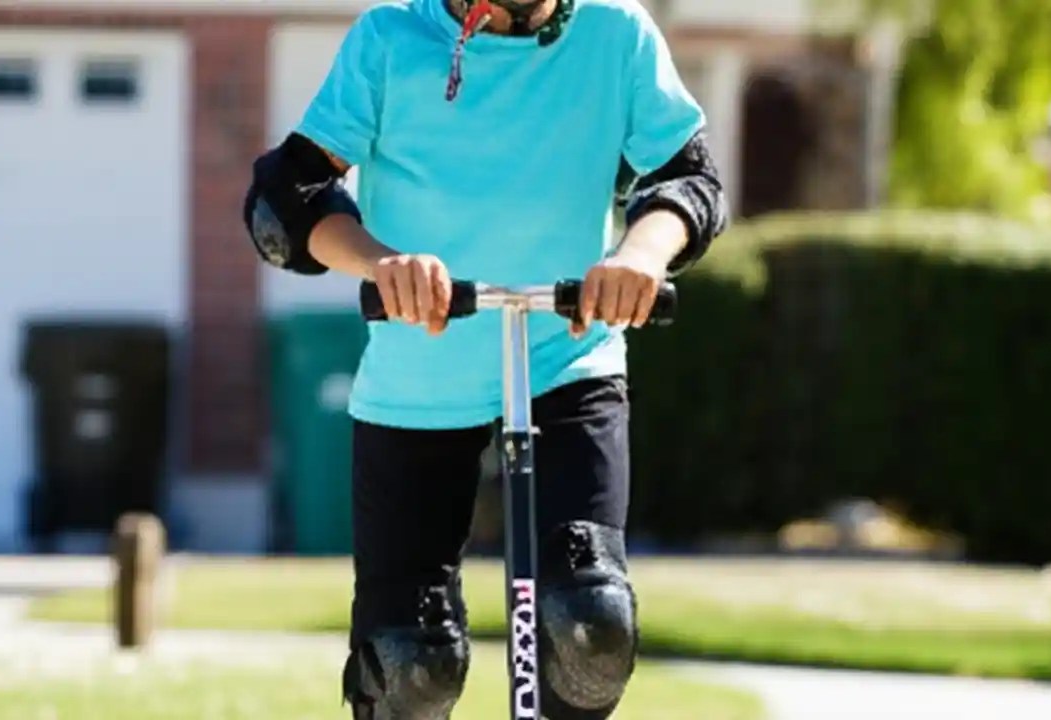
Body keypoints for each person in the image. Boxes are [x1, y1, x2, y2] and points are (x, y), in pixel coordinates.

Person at [242, 0, 728, 717]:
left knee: (589, 622)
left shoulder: (617, 33)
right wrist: (382, 264)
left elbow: (689, 180)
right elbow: (286, 198)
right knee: (411, 664)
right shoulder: (390, 37)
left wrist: (640, 255)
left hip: (568, 359)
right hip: (419, 377)